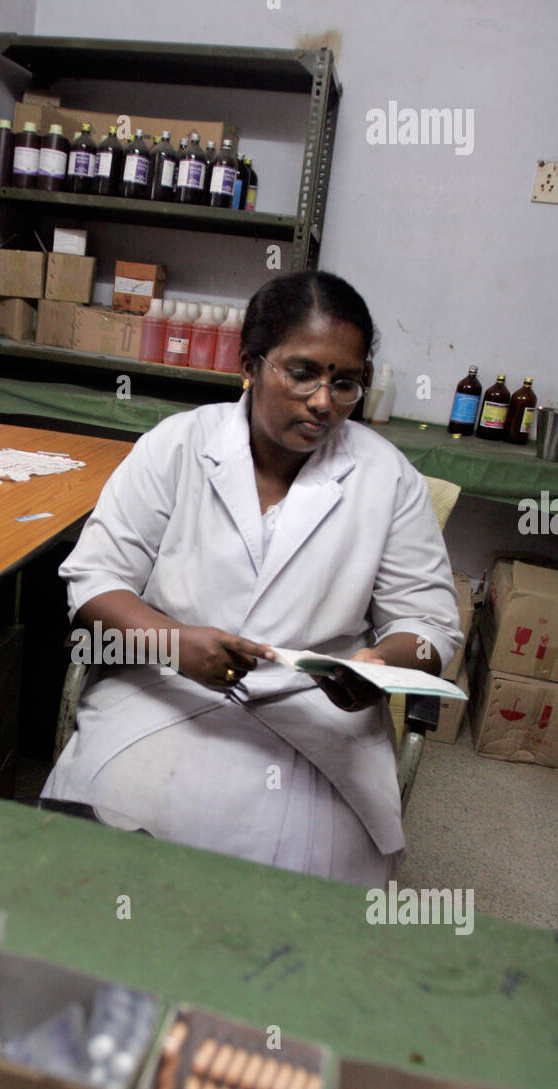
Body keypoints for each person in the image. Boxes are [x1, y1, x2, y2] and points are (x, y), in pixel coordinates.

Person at [42, 271, 462, 887]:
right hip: (165, 698)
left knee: (300, 916)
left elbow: (430, 627)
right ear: (249, 366)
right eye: (302, 373)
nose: (324, 401)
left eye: (345, 383)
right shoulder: (178, 446)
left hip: (315, 725)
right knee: (102, 874)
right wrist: (174, 644)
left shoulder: (387, 478)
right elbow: (94, 581)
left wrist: (376, 665)